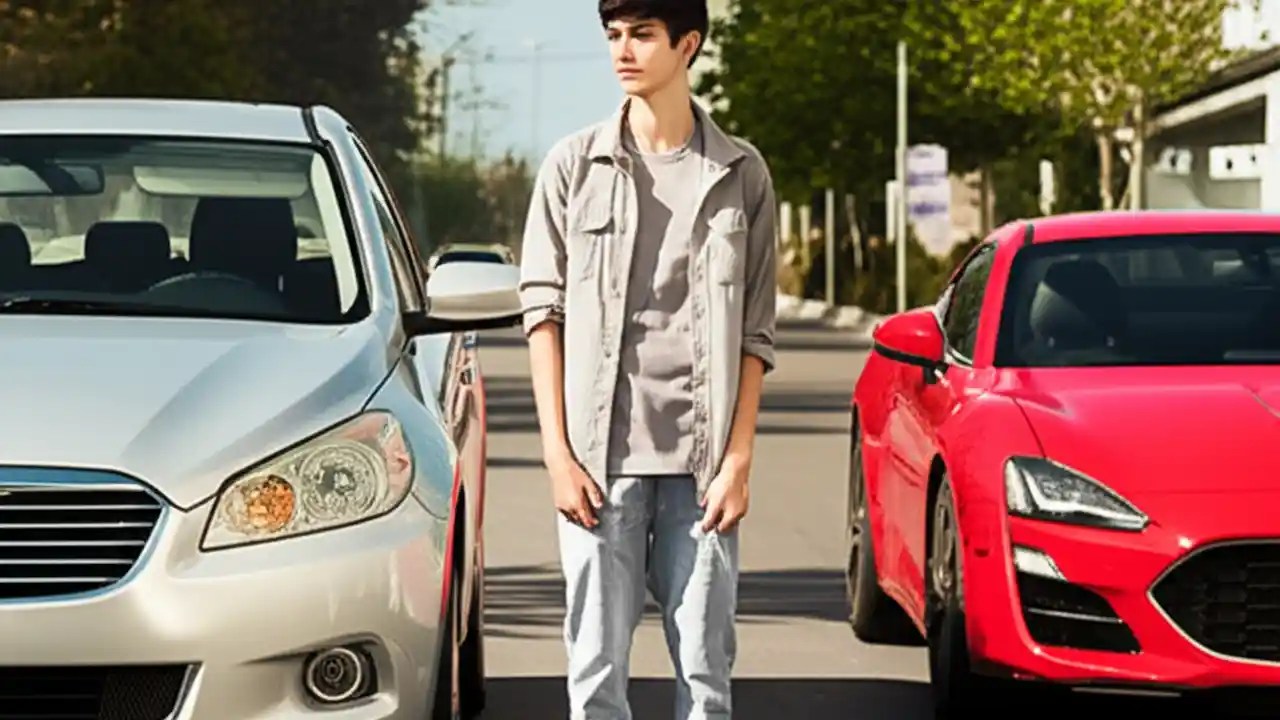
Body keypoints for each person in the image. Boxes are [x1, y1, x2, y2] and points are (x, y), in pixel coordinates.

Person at [517, 0, 777, 717]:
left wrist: (738, 462)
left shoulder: (742, 174)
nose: (622, 51)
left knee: (705, 681)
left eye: (641, 34)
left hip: (703, 477)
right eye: (612, 36)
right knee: (597, 680)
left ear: (686, 44)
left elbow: (757, 333)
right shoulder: (573, 167)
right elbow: (543, 316)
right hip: (601, 469)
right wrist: (558, 457)